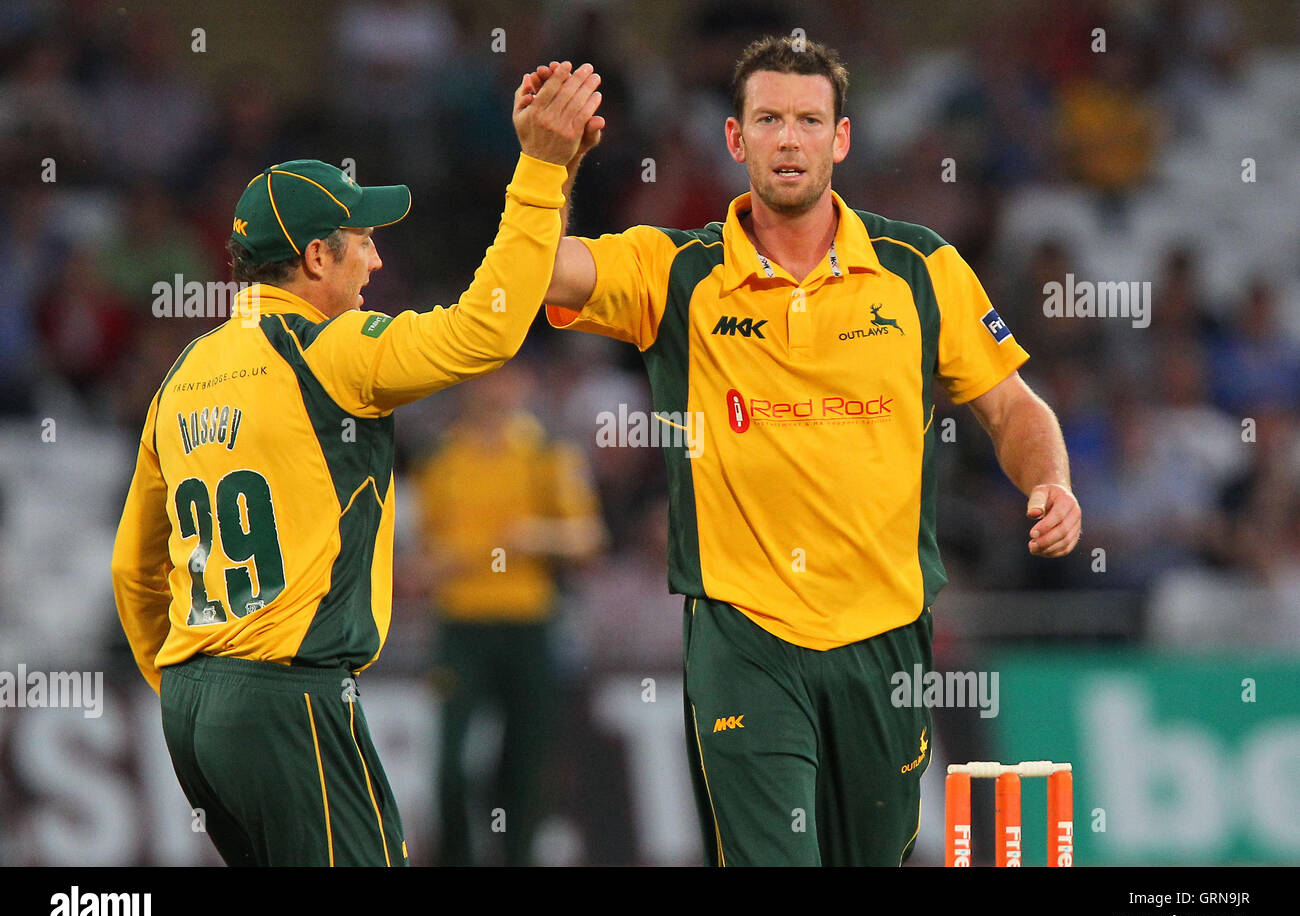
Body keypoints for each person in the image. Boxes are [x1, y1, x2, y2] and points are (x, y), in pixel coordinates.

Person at [536, 37, 1082, 866]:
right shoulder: (673, 271)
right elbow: (543, 275)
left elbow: (1010, 405)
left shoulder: (919, 267)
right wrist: (551, 166)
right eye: (768, 120)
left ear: (841, 139)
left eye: (807, 121)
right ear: (735, 138)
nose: (788, 139)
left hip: (886, 634)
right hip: (743, 634)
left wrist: (1051, 482)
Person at [110, 62, 605, 866]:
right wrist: (543, 169)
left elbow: (135, 572)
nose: (376, 261)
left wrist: (186, 685)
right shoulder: (332, 350)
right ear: (315, 258)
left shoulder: (183, 374)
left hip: (195, 704)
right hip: (288, 696)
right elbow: (486, 330)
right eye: (364, 240)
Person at [412, 362, 605, 865]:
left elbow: (588, 538)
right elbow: (416, 561)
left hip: (528, 624)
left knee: (526, 764)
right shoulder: (441, 459)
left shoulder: (546, 454)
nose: (498, 390)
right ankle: (456, 856)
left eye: (508, 378)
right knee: (451, 765)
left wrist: (533, 536)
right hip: (462, 625)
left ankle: (517, 856)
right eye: (488, 379)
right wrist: (449, 562)